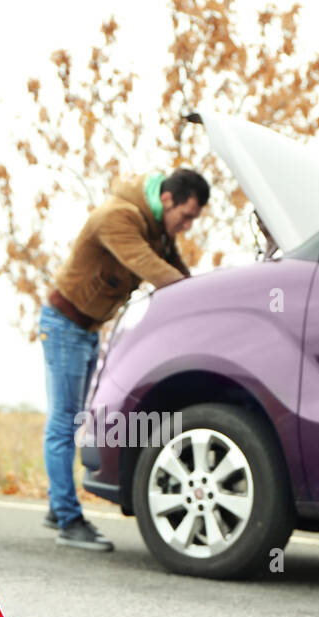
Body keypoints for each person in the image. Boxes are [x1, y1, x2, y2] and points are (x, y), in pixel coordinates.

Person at [39, 168, 209, 551]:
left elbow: (180, 272)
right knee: (64, 422)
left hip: (86, 328)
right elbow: (154, 271)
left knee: (72, 419)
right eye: (186, 216)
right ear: (168, 200)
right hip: (64, 324)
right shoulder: (118, 217)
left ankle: (56, 506)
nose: (185, 226)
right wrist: (201, 298)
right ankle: (68, 520)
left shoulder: (157, 227)